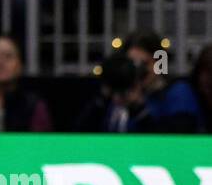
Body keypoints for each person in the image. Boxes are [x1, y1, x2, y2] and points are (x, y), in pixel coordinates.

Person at [75, 31, 205, 134]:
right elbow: (79, 134)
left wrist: (138, 108)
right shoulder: (119, 92)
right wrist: (103, 98)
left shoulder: (176, 93)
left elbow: (177, 140)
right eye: (131, 64)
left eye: (144, 64)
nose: (137, 71)